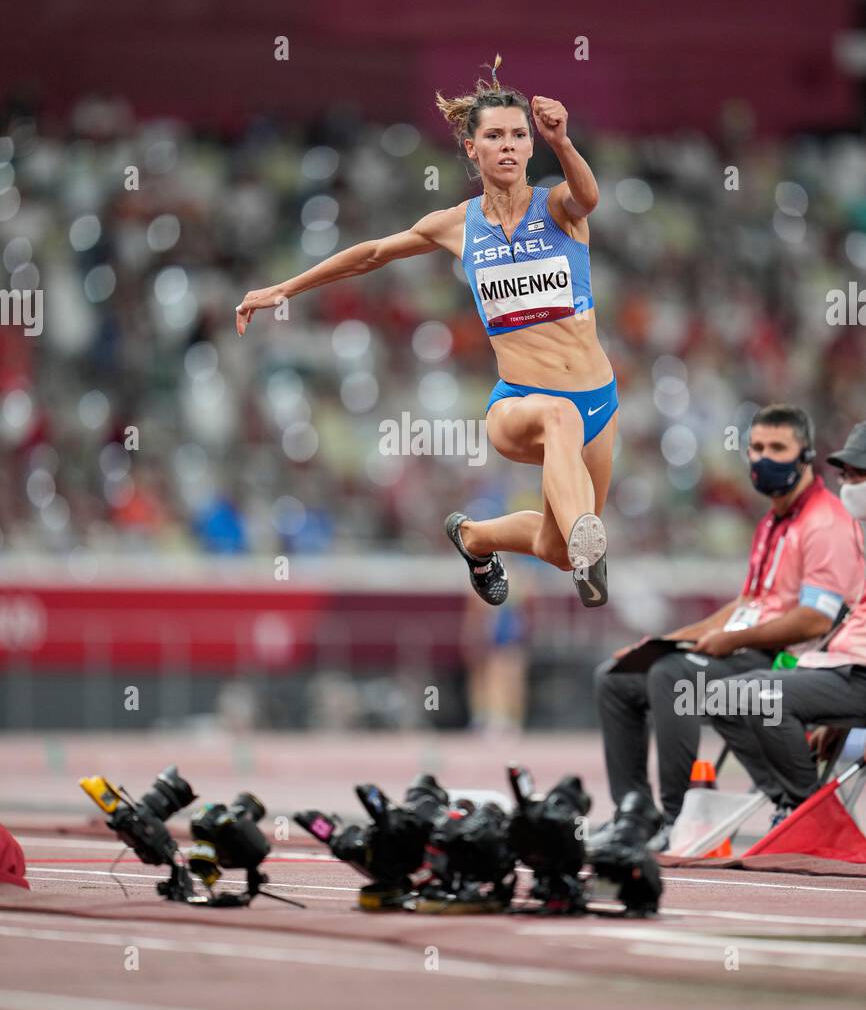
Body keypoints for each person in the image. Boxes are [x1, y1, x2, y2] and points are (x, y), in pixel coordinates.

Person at [236, 56, 617, 607]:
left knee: (557, 550)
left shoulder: (557, 208)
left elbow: (589, 196)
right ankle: (589, 545)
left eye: (518, 135)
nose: (508, 145)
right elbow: (371, 254)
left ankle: (475, 538)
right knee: (560, 430)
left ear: (531, 146)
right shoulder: (458, 225)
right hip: (521, 405)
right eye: (494, 136)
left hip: (599, 401)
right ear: (472, 149)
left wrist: (564, 142)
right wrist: (285, 289)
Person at [592, 405, 864, 849]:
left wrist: (726, 642)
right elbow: (747, 604)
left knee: (673, 675)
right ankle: (633, 812)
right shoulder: (774, 522)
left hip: (787, 659)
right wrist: (672, 639)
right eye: (756, 448)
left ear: (806, 456)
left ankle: (676, 820)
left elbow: (816, 618)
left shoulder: (825, 523)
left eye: (777, 447)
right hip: (745, 651)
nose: (763, 457)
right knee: (616, 678)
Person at [710, 421, 866, 819]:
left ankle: (814, 818)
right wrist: (834, 717)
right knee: (722, 694)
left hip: (854, 675)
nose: (848, 484)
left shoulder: (838, 532)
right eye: (846, 474)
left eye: (859, 474)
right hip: (841, 670)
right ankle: (795, 805)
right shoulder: (862, 537)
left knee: (754, 695)